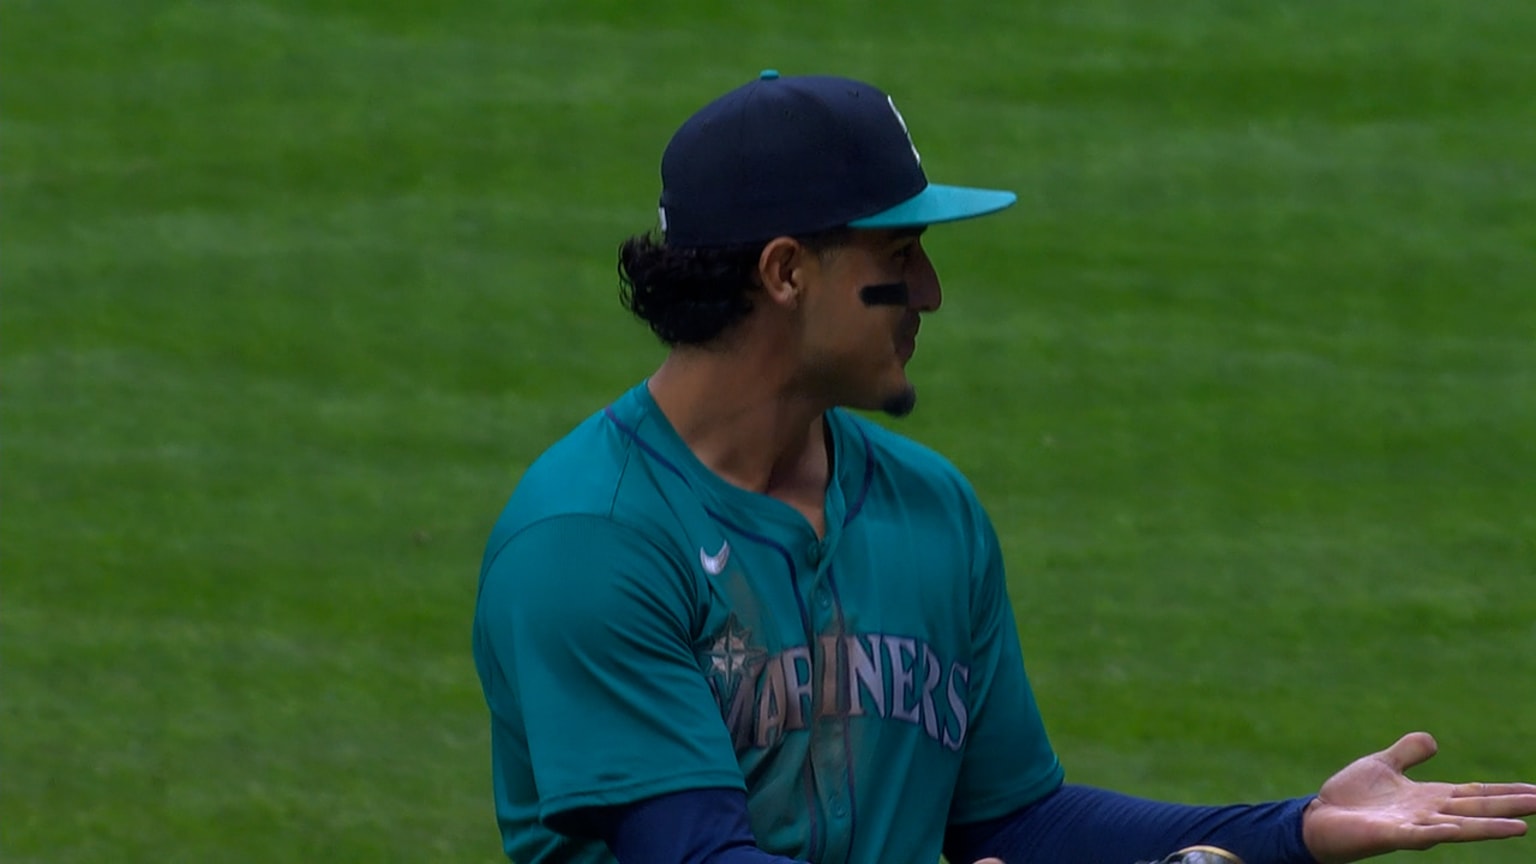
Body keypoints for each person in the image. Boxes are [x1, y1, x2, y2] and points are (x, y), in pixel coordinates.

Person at [471, 70, 1536, 864]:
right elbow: (696, 853)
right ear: (787, 272)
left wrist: (1295, 829)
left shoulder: (929, 510)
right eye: (897, 259)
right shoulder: (592, 540)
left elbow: (1018, 817)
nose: (929, 292)